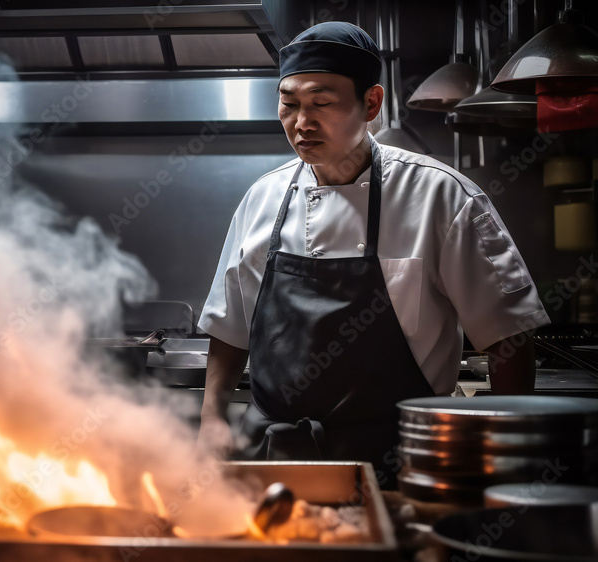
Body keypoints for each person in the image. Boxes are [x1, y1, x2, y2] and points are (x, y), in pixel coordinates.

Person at [195, 21, 550, 484]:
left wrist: (507, 455)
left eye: (322, 103)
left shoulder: (442, 197)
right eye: (290, 104)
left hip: (401, 462)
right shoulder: (261, 198)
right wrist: (211, 420)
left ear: (372, 103)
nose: (302, 123)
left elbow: (509, 334)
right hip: (273, 460)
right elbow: (229, 325)